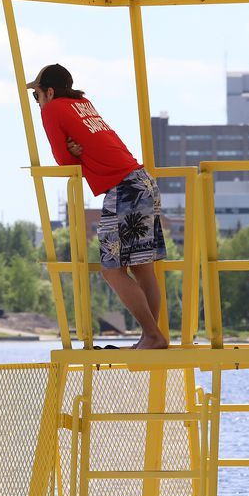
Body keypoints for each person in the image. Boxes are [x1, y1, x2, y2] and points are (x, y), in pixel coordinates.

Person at [27, 63, 168, 350]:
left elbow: (64, 162)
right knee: (143, 269)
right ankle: (150, 337)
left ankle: (152, 336)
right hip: (143, 181)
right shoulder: (83, 103)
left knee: (112, 270)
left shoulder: (52, 110)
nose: (37, 102)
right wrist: (76, 149)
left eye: (36, 96)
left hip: (123, 189)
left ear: (49, 92)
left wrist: (73, 151)